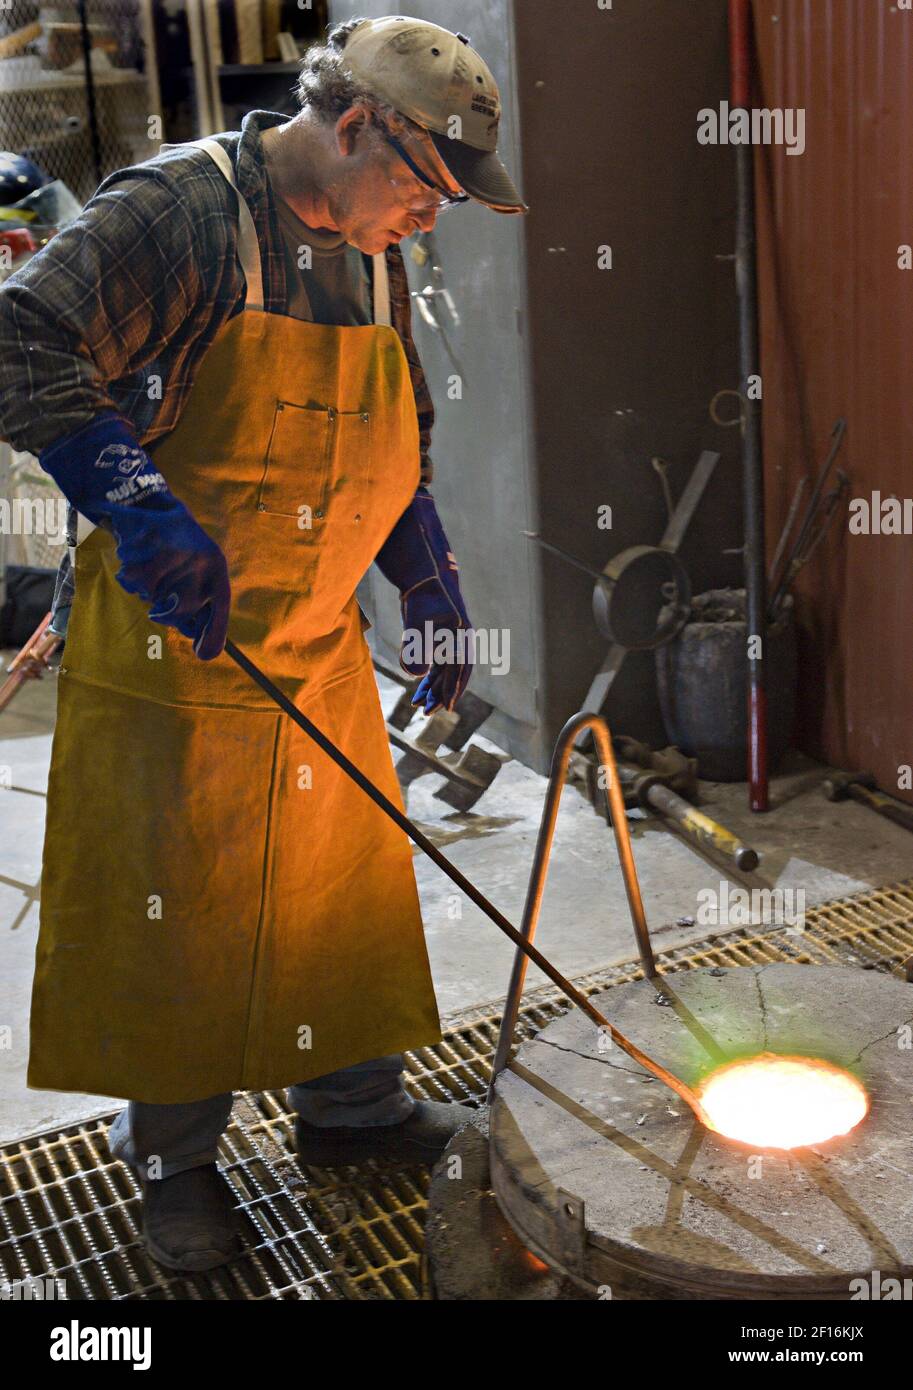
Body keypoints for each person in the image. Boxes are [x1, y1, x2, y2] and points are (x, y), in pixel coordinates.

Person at [0, 14, 526, 1272]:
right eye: (421, 186)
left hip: (317, 637)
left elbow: (387, 428)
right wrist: (135, 502)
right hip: (180, 649)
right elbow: (20, 338)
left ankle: (351, 1111)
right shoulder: (180, 210)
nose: (428, 219)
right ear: (351, 127)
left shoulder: (369, 239)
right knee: (176, 908)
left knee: (338, 889)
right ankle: (175, 1163)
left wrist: (428, 569)